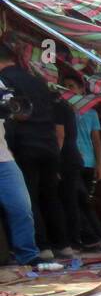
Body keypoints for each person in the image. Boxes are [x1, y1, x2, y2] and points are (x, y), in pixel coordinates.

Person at [0, 42, 64, 258]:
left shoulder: (4, 83)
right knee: (45, 198)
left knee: (23, 205)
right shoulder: (37, 81)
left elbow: (16, 112)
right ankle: (57, 246)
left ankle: (31, 253)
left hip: (9, 154)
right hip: (45, 146)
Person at [61, 72, 101, 249]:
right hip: (70, 161)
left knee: (83, 202)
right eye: (65, 86)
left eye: (71, 86)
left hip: (87, 162)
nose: (68, 90)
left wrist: (99, 164)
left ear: (82, 89)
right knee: (76, 201)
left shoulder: (91, 113)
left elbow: (96, 140)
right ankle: (92, 237)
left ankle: (95, 237)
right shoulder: (61, 110)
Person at [0, 75, 40, 267]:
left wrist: (11, 108)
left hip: (3, 158)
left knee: (21, 207)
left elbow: (20, 112)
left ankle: (28, 254)